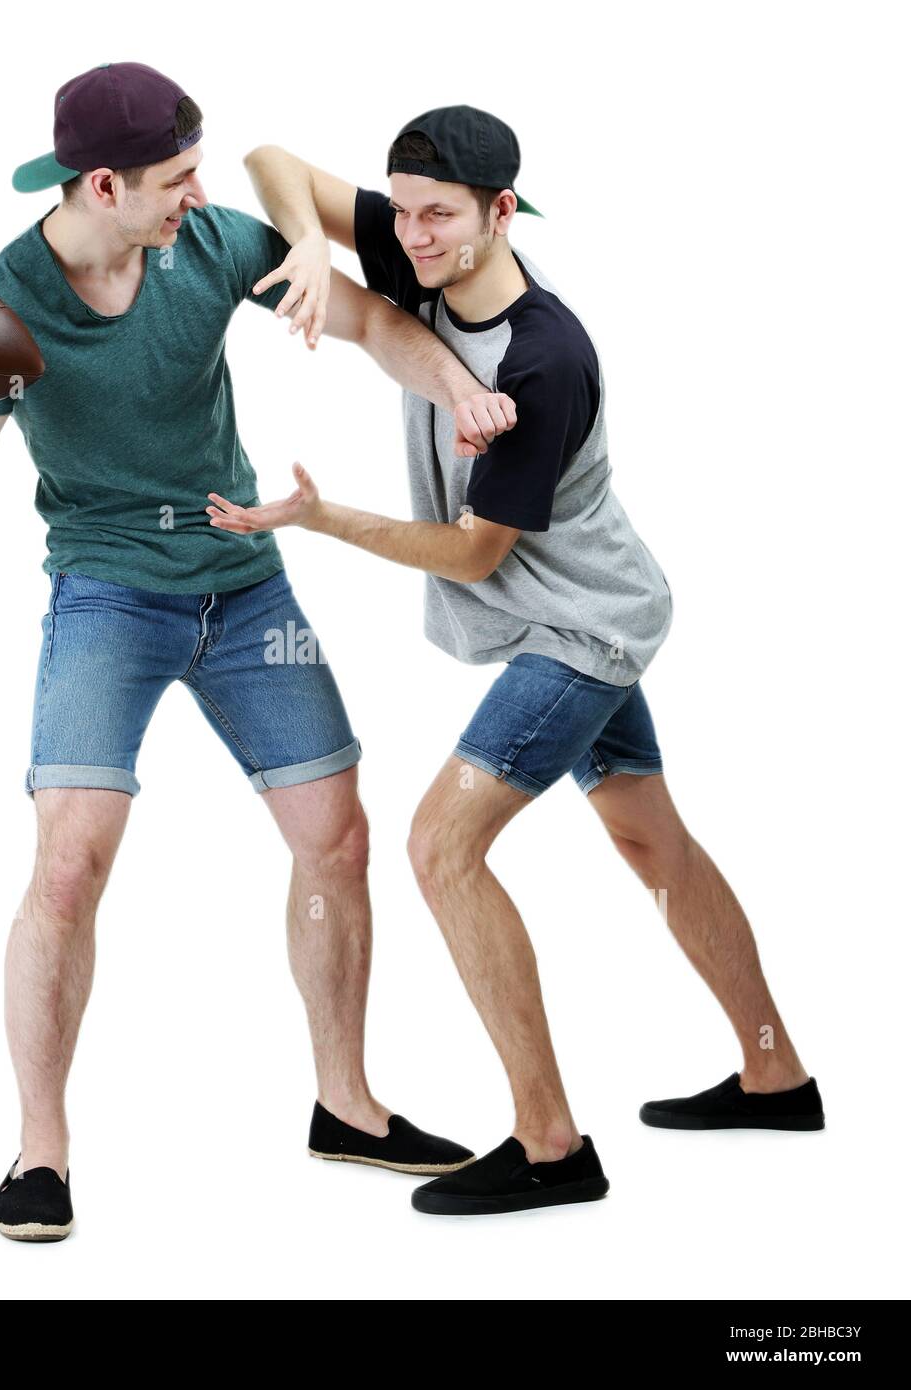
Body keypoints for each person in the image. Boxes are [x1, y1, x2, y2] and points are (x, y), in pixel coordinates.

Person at [0, 67, 524, 1241]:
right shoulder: (5, 300)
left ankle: (345, 1103)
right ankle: (40, 1151)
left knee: (336, 833)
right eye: (178, 180)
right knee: (68, 860)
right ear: (104, 184)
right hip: (107, 594)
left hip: (240, 579)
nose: (200, 193)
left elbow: (379, 324)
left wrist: (458, 393)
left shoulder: (207, 242)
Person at [217, 107, 825, 1218]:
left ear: (503, 212)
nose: (408, 238)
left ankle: (550, 1148)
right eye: (395, 212)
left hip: (580, 634)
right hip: (591, 609)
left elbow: (467, 551)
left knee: (439, 847)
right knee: (651, 837)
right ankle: (773, 1076)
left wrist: (317, 518)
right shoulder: (420, 243)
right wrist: (312, 238)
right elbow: (266, 160)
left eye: (437, 215)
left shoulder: (541, 360)